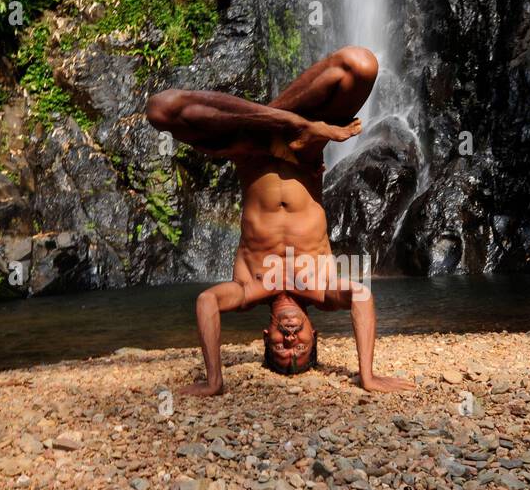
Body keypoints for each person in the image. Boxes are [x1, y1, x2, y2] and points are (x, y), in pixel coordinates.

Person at [145, 46, 415, 397]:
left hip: (250, 146)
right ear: (313, 333)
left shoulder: (249, 288)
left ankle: (280, 120)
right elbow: (361, 296)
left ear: (266, 337)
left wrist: (214, 380)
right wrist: (367, 375)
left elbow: (207, 302)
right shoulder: (323, 288)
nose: (290, 340)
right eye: (300, 347)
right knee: (361, 65)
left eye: (280, 348)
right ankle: (286, 122)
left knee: (159, 109)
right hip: (304, 150)